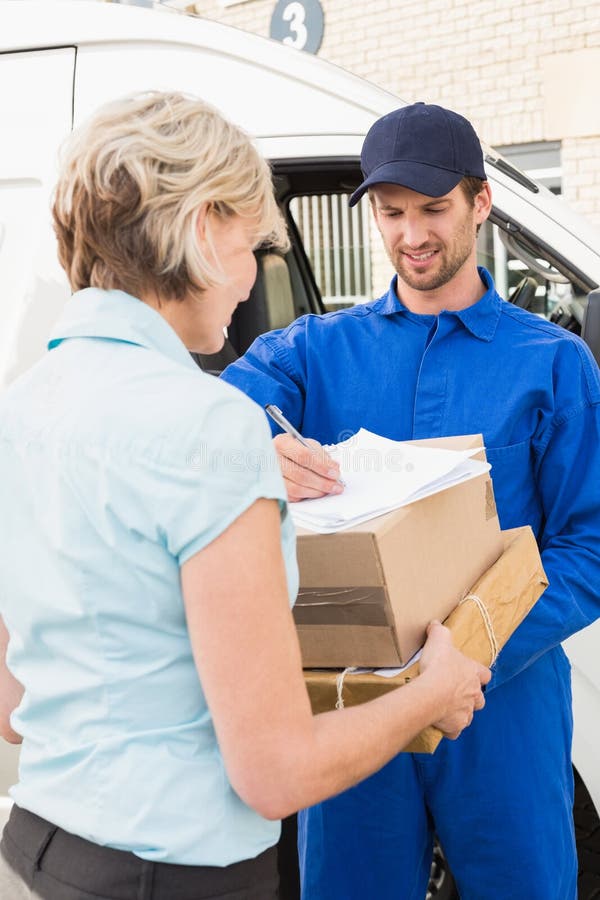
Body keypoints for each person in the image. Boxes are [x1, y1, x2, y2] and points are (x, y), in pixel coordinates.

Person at [0, 92, 490, 900]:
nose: (250, 275)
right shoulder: (212, 427)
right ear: (200, 232)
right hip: (175, 879)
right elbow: (275, 773)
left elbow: (15, 706)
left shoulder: (20, 408)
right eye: (250, 243)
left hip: (35, 857)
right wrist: (430, 692)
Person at [221, 101, 600, 899]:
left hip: (503, 703)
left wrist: (477, 645)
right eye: (391, 213)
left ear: (480, 203)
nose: (411, 234)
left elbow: (589, 545)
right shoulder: (314, 352)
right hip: (354, 710)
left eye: (433, 209)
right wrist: (255, 448)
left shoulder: (555, 366)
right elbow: (204, 420)